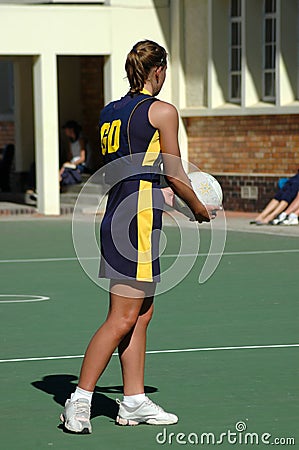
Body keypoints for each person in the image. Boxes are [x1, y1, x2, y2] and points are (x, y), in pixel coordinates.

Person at [60, 40, 216, 434]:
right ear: (158, 70)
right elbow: (177, 173)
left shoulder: (109, 112)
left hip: (118, 211)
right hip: (138, 221)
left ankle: (132, 401)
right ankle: (79, 400)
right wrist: (198, 208)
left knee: (141, 314)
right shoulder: (162, 111)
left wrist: (161, 192)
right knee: (122, 317)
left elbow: (128, 168)